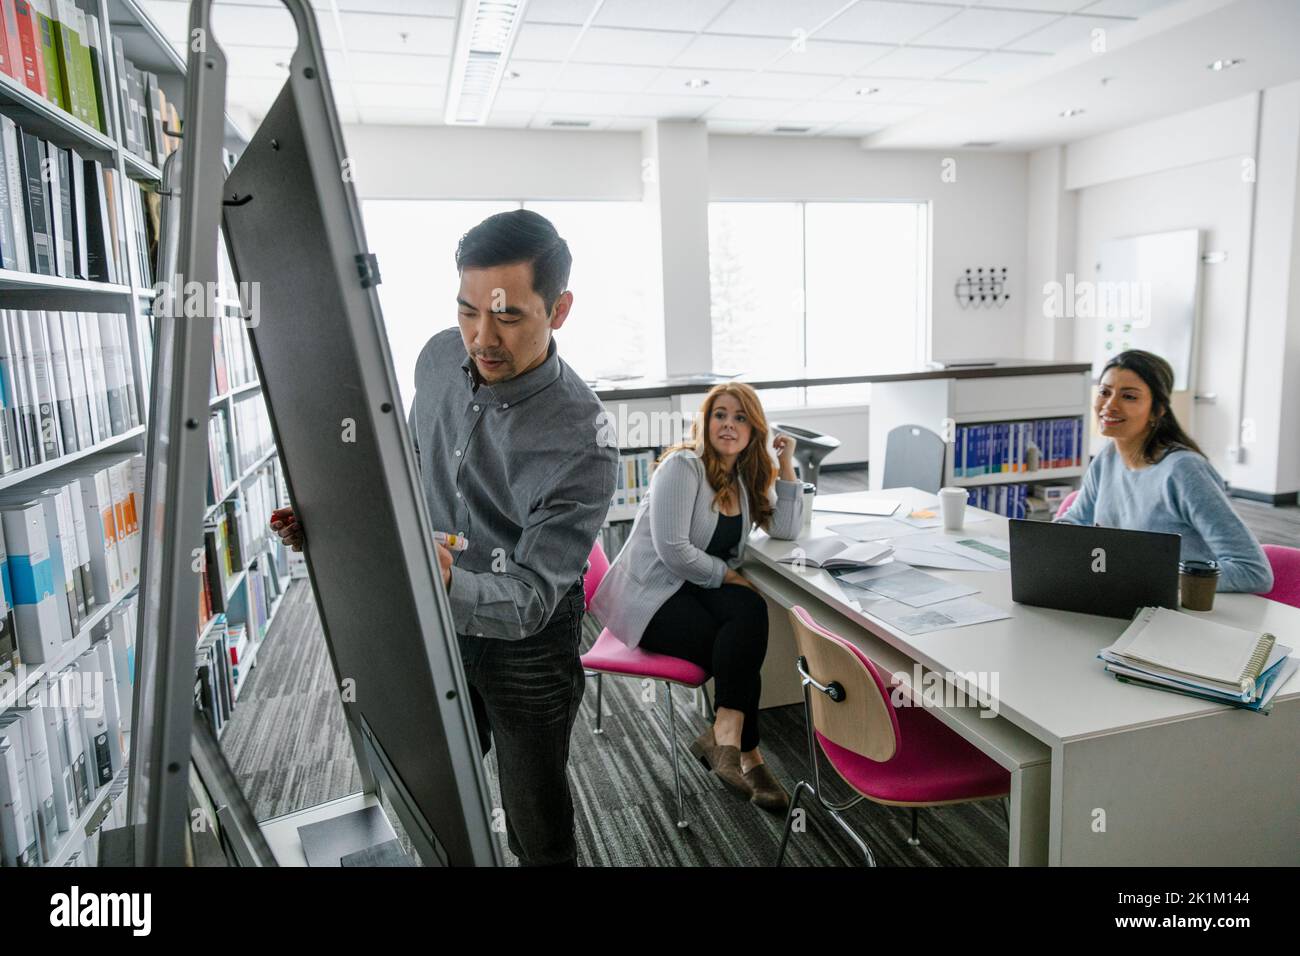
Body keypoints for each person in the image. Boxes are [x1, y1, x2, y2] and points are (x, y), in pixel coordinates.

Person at [271, 209, 618, 865]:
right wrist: (335, 517)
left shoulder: (585, 441)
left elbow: (532, 597)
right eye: (467, 311)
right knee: (429, 782)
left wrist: (448, 576)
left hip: (530, 643)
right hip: (435, 613)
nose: (481, 338)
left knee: (535, 819)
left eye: (509, 316)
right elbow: (407, 461)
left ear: (560, 308)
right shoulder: (437, 356)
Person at [589, 382, 804, 814]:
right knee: (739, 642)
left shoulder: (744, 477)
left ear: (754, 429)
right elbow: (673, 549)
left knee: (747, 617)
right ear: (706, 423)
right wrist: (728, 575)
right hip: (651, 597)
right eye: (720, 414)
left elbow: (786, 529)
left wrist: (785, 462)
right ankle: (748, 754)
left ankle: (726, 738)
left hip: (693, 590)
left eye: (741, 417)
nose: (729, 424)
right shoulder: (683, 467)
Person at [1056, 349, 1272, 593]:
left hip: (1182, 608)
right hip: (1124, 595)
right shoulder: (1107, 458)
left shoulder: (1184, 471)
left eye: (1128, 397)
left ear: (1158, 410)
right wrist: (1042, 544)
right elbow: (1076, 522)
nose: (1109, 405)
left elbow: (1254, 571)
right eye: (1104, 392)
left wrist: (1155, 577)